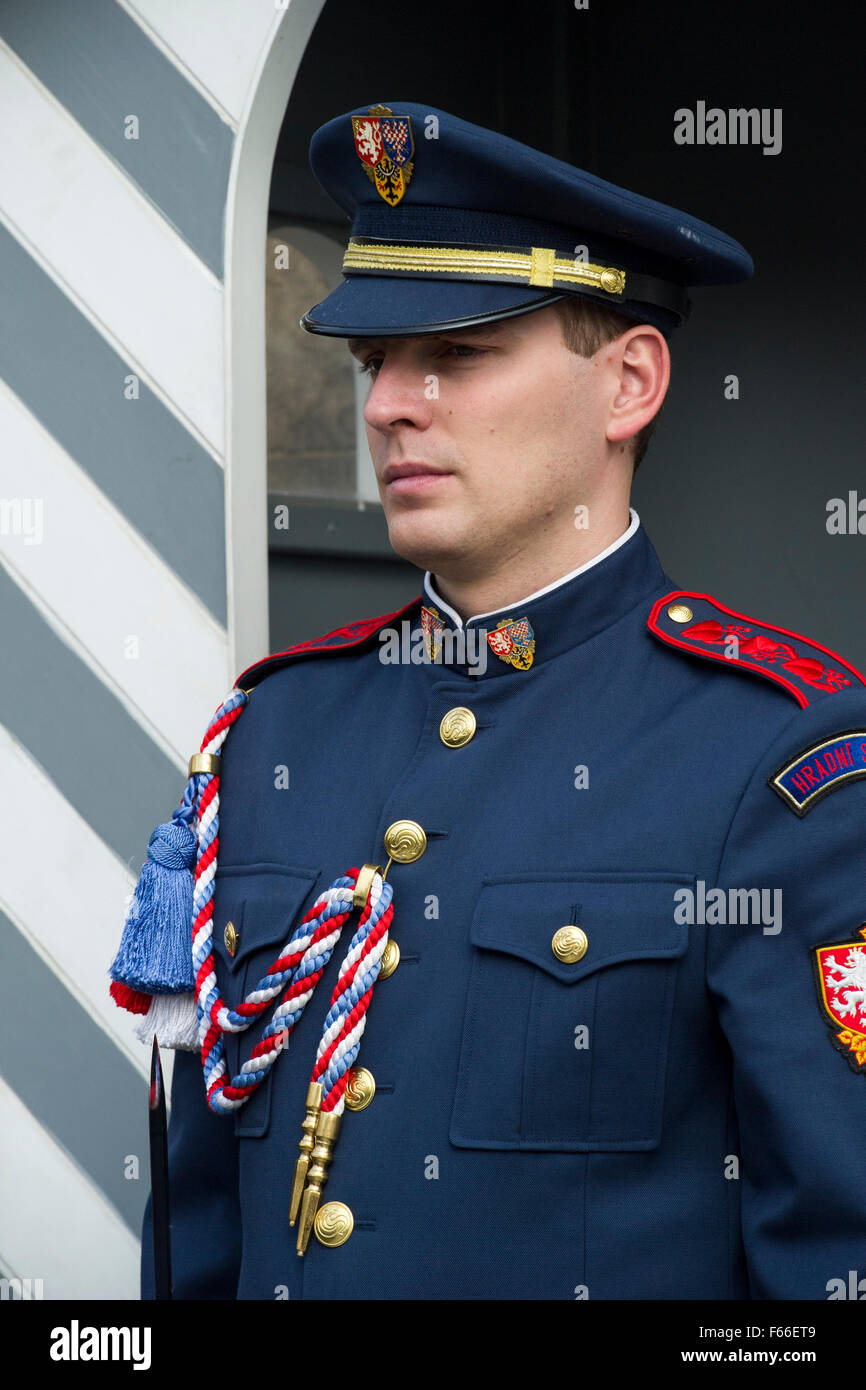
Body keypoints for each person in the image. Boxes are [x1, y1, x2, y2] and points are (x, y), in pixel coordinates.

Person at [111, 101, 866, 1301]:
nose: (385, 406)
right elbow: (195, 1234)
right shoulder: (268, 738)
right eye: (372, 364)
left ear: (628, 383)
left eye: (453, 356)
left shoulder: (777, 754)